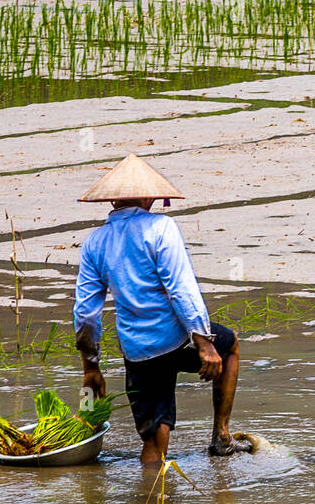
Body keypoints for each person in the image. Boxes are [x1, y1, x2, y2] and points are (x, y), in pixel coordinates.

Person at [73, 153, 248, 461]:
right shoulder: (161, 228)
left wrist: (91, 368)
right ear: (149, 196)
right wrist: (205, 343)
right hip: (177, 341)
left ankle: (148, 501)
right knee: (229, 344)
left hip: (138, 352)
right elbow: (181, 288)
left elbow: (86, 311)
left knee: (154, 445)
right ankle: (221, 434)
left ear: (113, 201)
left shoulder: (94, 243)